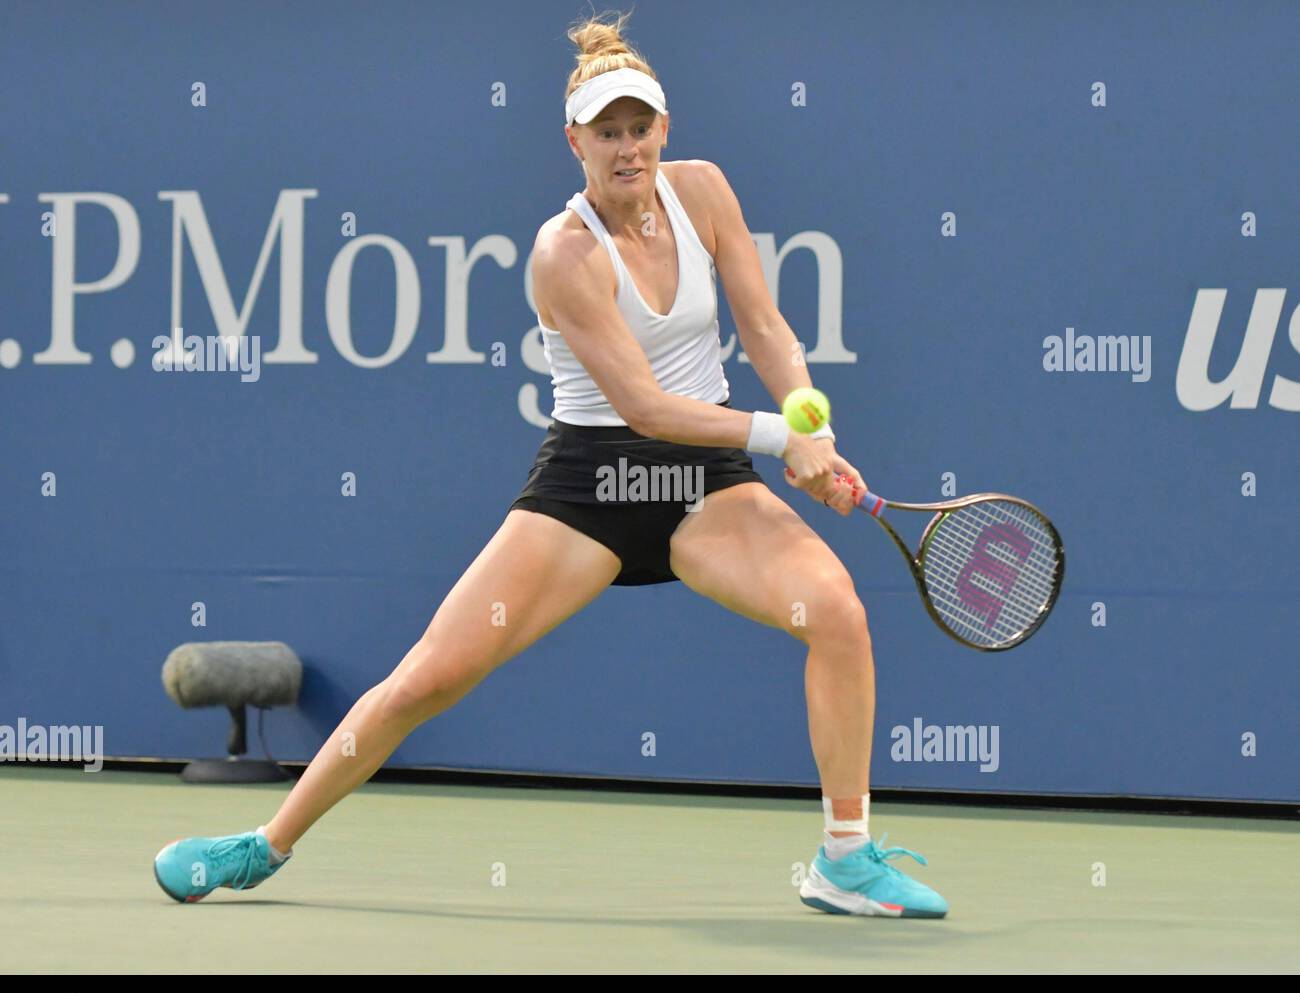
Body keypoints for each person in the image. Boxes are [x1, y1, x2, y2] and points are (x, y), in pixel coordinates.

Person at [153, 12, 947, 920]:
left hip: (705, 483)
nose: (626, 148)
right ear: (573, 141)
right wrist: (777, 439)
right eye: (605, 132)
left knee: (838, 612)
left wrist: (812, 422)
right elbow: (644, 408)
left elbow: (764, 328)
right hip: (592, 487)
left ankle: (844, 858)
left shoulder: (707, 193)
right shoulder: (562, 253)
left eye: (638, 127)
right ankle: (265, 844)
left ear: (664, 127)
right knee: (430, 678)